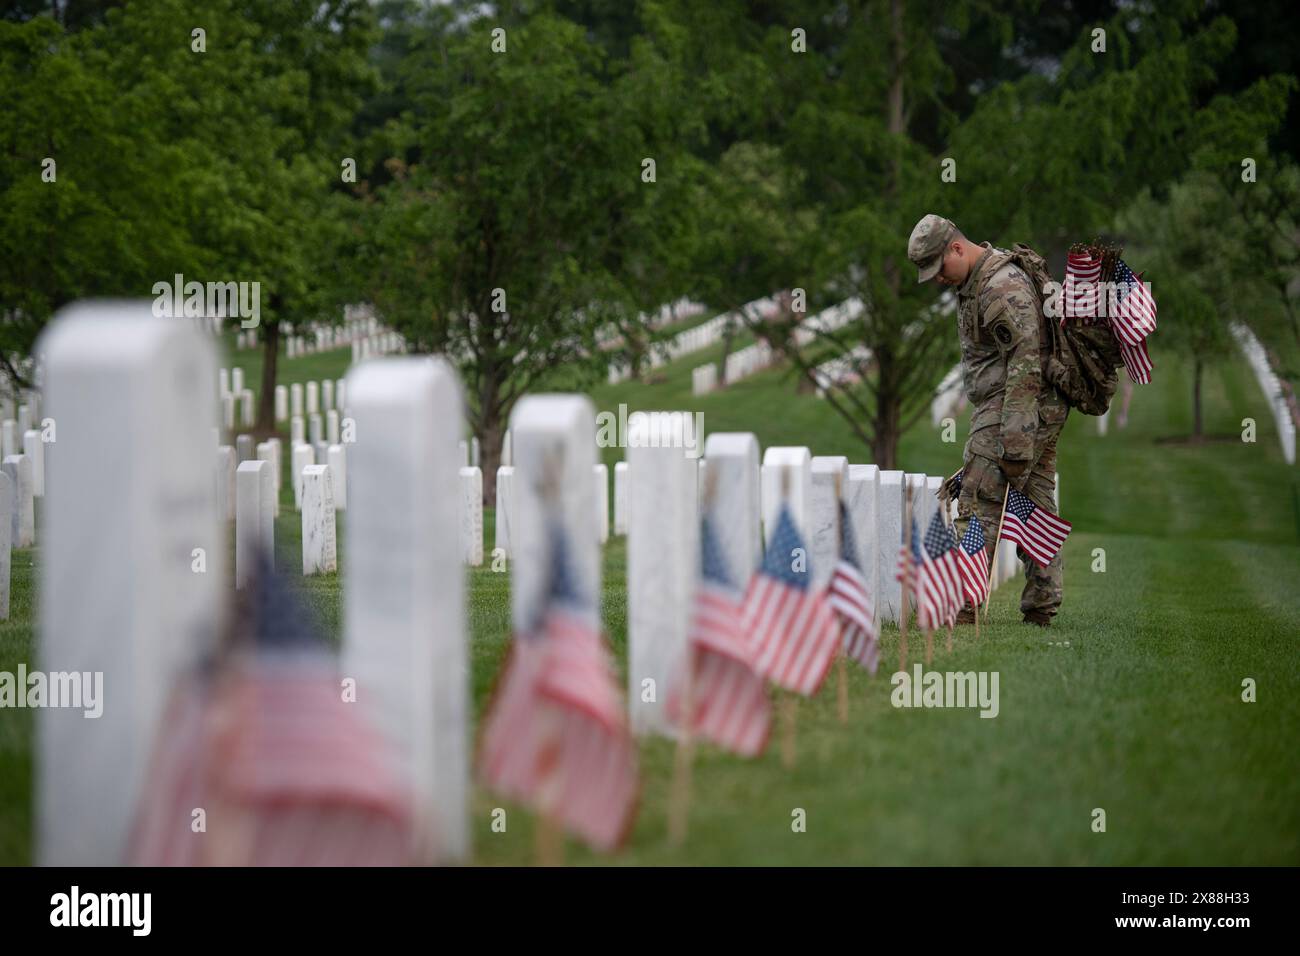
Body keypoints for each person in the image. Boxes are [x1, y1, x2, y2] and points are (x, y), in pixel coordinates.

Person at [908, 214, 1067, 627]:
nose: (939, 279)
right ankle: (1042, 604)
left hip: (1014, 407)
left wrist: (1015, 438)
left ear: (957, 248)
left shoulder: (1001, 286)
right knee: (1034, 502)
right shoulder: (974, 281)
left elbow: (1026, 362)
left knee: (978, 495)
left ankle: (962, 604)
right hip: (1024, 407)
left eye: (940, 267)